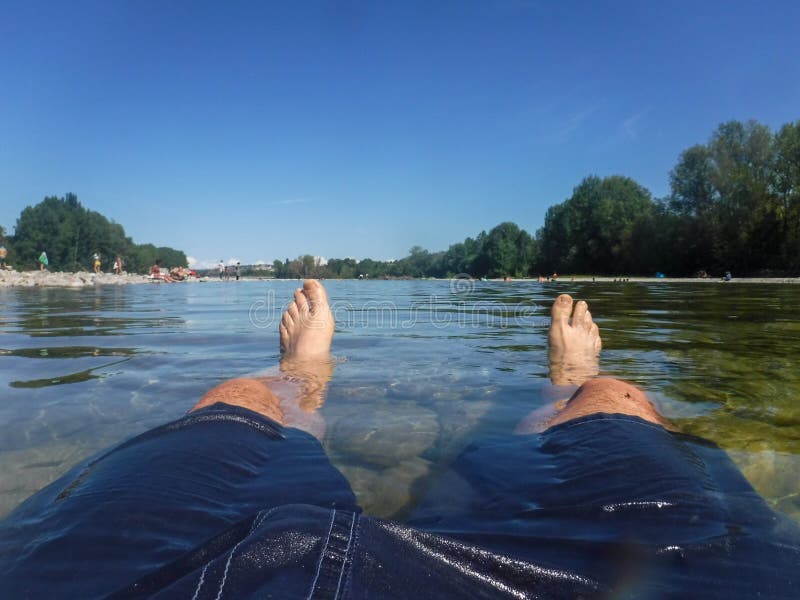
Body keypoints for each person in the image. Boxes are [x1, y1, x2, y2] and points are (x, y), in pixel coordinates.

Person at [0, 281, 798, 599]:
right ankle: (568, 386)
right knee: (615, 403)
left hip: (133, 577)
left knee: (231, 403)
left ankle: (297, 383)